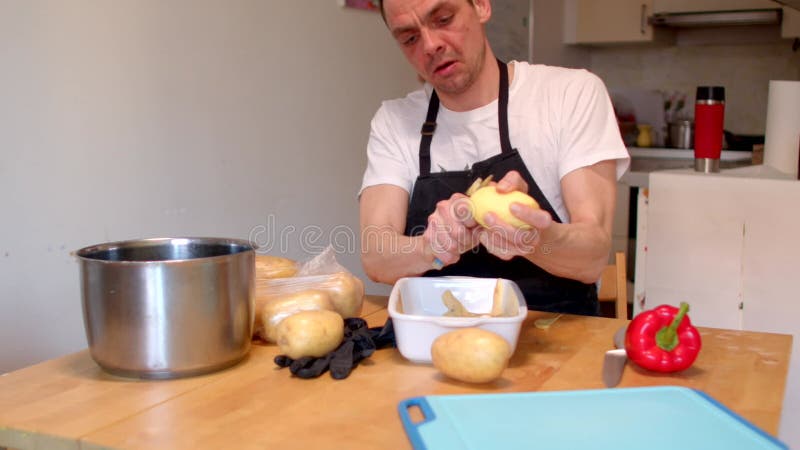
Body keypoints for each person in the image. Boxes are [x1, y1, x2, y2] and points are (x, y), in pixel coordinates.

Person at [359, 0, 630, 315]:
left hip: (555, 343)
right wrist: (433, 247)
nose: (430, 45)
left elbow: (592, 257)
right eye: (410, 39)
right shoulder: (395, 121)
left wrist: (534, 240)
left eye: (444, 18)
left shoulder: (570, 94)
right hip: (436, 339)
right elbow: (376, 256)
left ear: (481, 6)